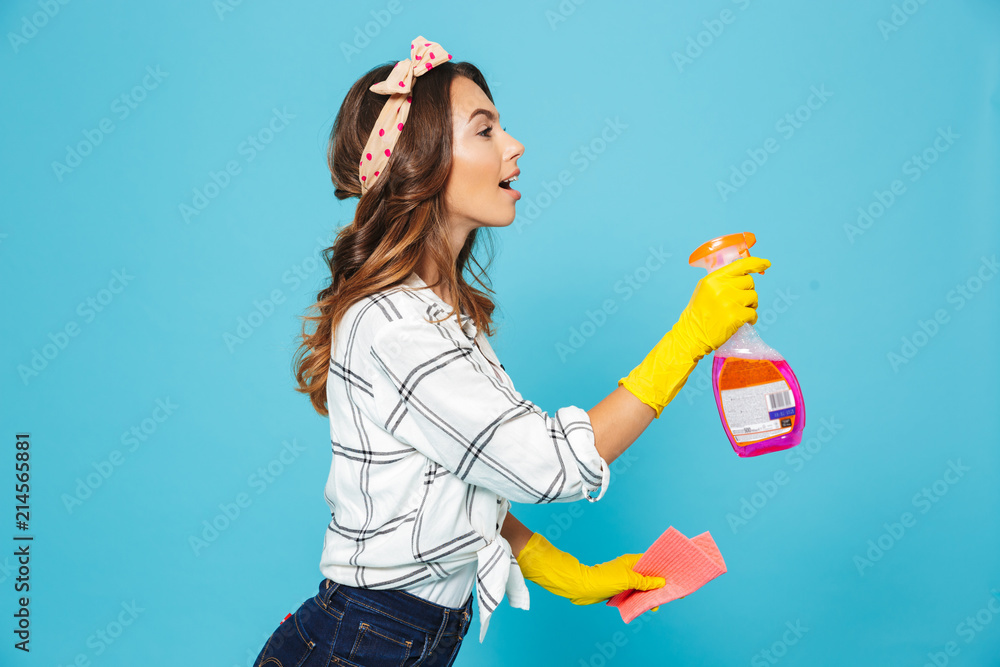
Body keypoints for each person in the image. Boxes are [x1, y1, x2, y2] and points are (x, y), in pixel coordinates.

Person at [252, 35, 769, 667]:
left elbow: (470, 489)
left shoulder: (442, 319)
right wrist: (689, 338)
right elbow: (547, 466)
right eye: (485, 129)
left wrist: (571, 574)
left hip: (390, 638)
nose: (515, 145)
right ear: (423, 161)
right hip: (361, 643)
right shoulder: (393, 327)